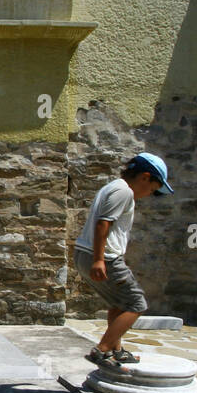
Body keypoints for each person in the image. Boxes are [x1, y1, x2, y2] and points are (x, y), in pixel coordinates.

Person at [73, 152, 174, 367]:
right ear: (145, 177)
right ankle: (102, 349)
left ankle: (116, 350)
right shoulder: (123, 191)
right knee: (137, 303)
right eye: (152, 189)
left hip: (85, 253)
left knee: (119, 303)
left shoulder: (112, 187)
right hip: (104, 257)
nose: (148, 194)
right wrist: (99, 260)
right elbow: (103, 224)